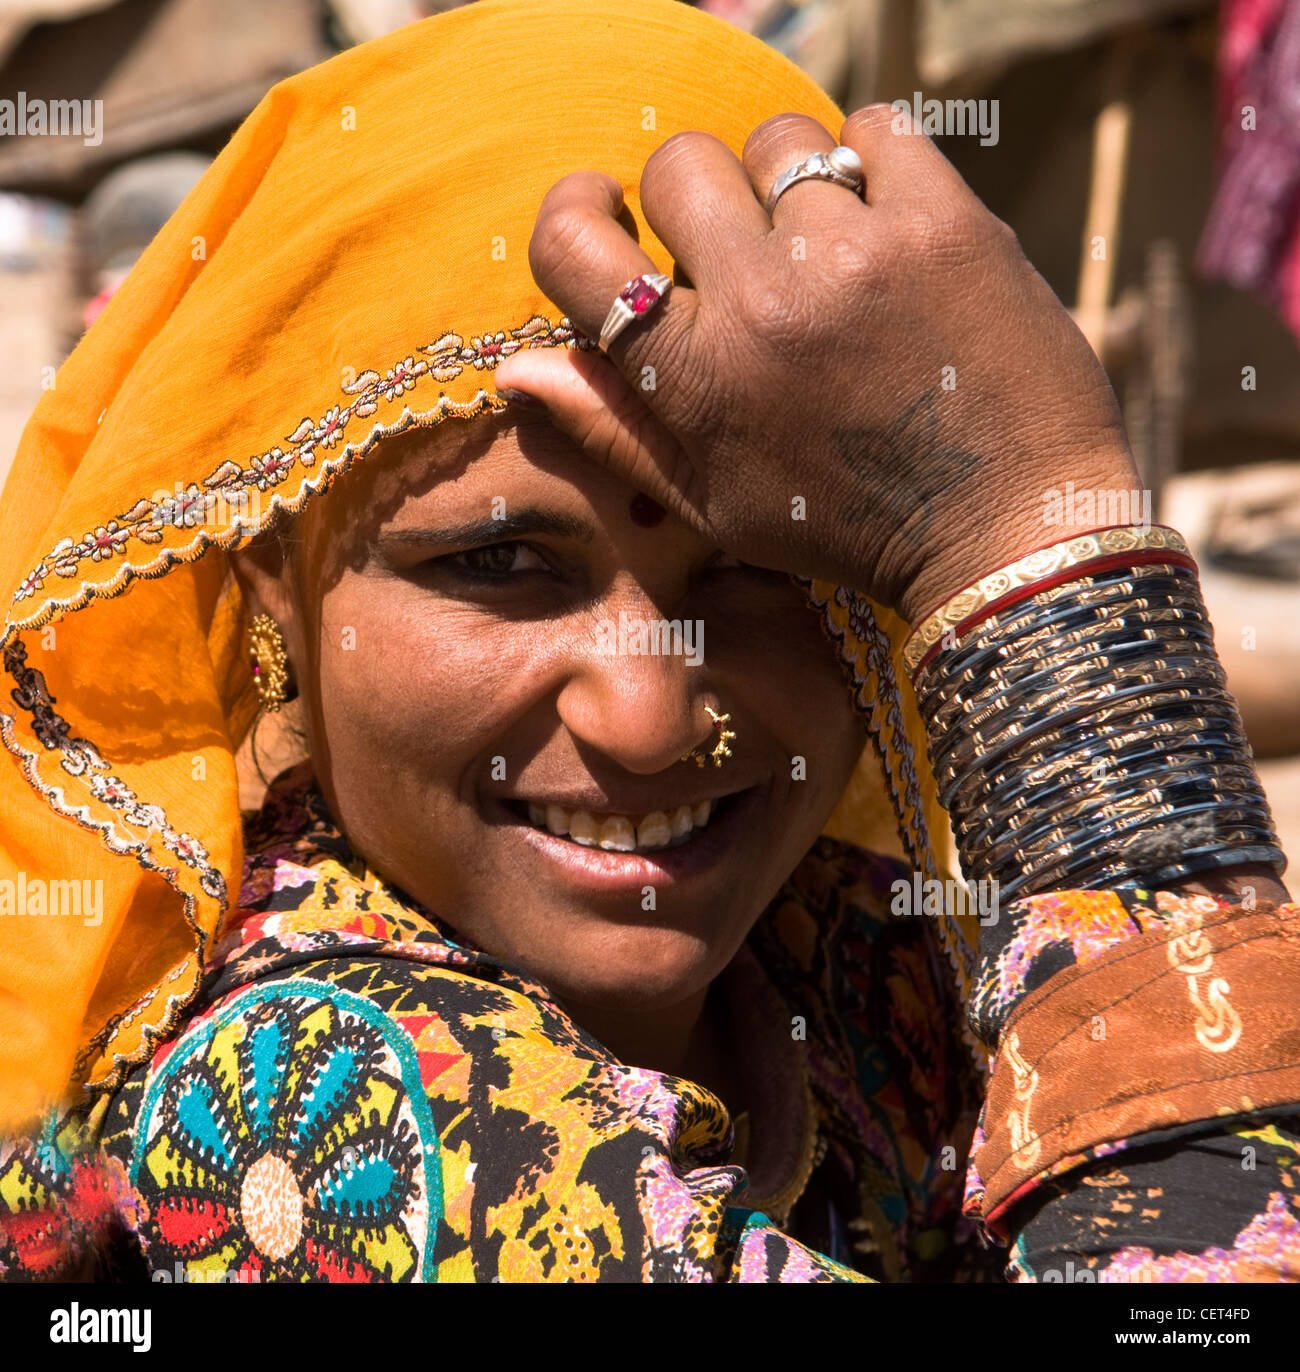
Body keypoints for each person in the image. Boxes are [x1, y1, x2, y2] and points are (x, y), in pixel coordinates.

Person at [0, 0, 1296, 1283]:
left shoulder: (861, 965)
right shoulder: (331, 1100)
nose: (649, 718)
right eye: (498, 562)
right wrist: (1034, 542)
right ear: (275, 577)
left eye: (757, 566)